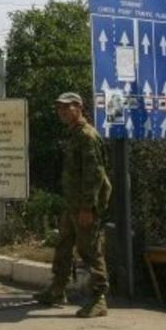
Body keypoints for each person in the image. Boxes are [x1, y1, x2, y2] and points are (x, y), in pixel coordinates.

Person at [33, 92, 113, 318]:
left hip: (85, 206)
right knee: (64, 246)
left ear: (79, 108)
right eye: (59, 108)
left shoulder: (87, 136)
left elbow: (94, 175)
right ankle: (57, 289)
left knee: (89, 251)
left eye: (67, 108)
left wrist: (87, 208)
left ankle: (99, 299)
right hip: (73, 204)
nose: (62, 112)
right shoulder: (74, 135)